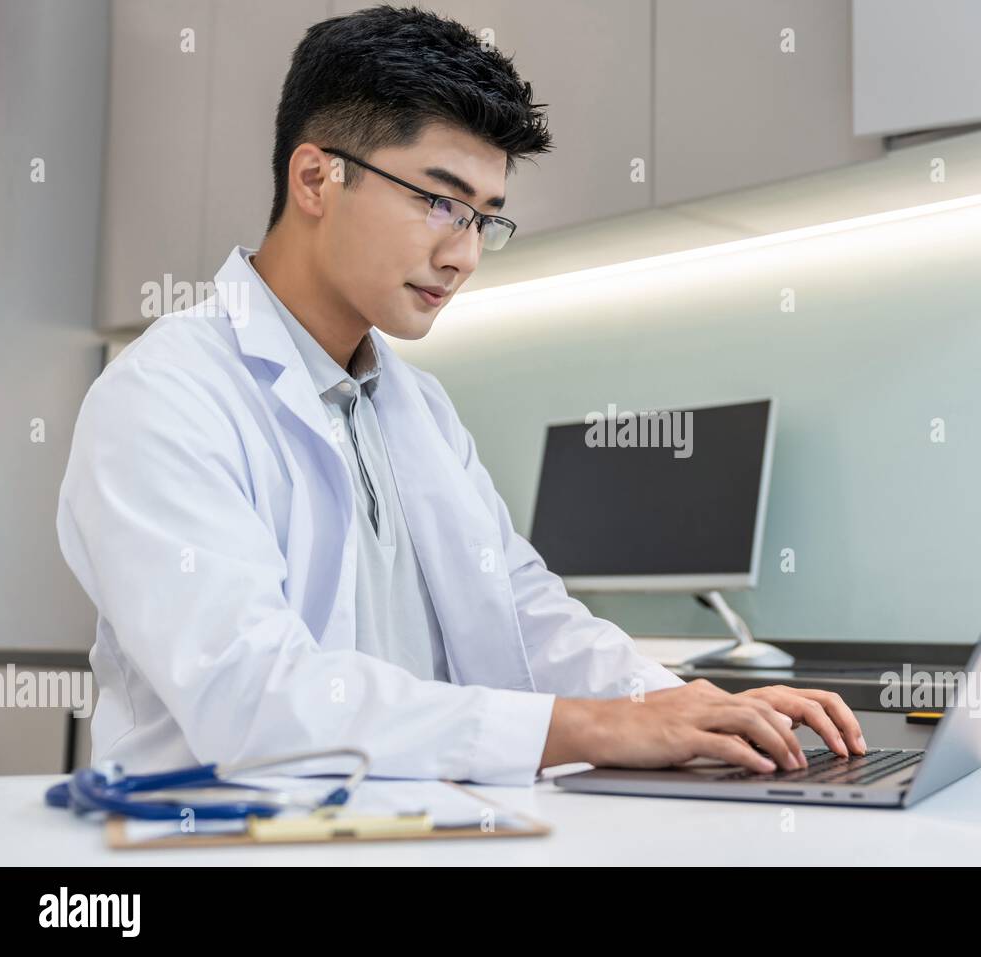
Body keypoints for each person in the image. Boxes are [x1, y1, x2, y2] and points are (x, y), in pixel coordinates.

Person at [56, 5, 865, 786]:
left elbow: (525, 611)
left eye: (485, 219)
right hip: (219, 842)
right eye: (441, 202)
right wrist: (593, 727)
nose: (465, 255)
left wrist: (681, 706)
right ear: (315, 177)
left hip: (413, 828)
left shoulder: (418, 408)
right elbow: (254, 699)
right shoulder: (163, 397)